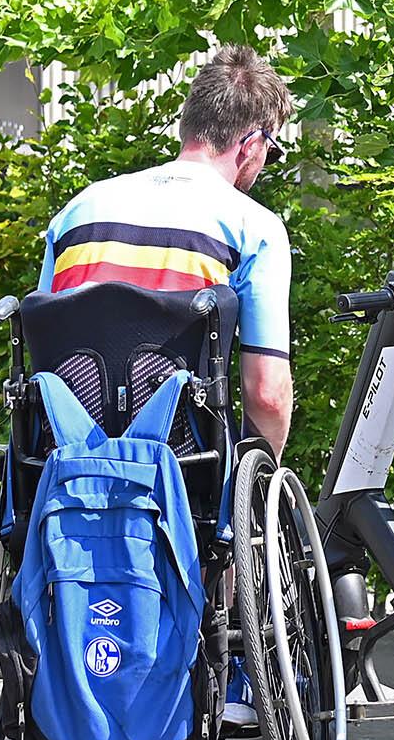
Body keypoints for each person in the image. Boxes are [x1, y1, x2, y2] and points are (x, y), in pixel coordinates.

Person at [37, 44, 296, 458]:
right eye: (273, 150)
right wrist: (263, 482)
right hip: (185, 465)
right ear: (251, 145)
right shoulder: (254, 227)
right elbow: (267, 393)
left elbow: (46, 338)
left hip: (64, 457)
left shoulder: (78, 211)